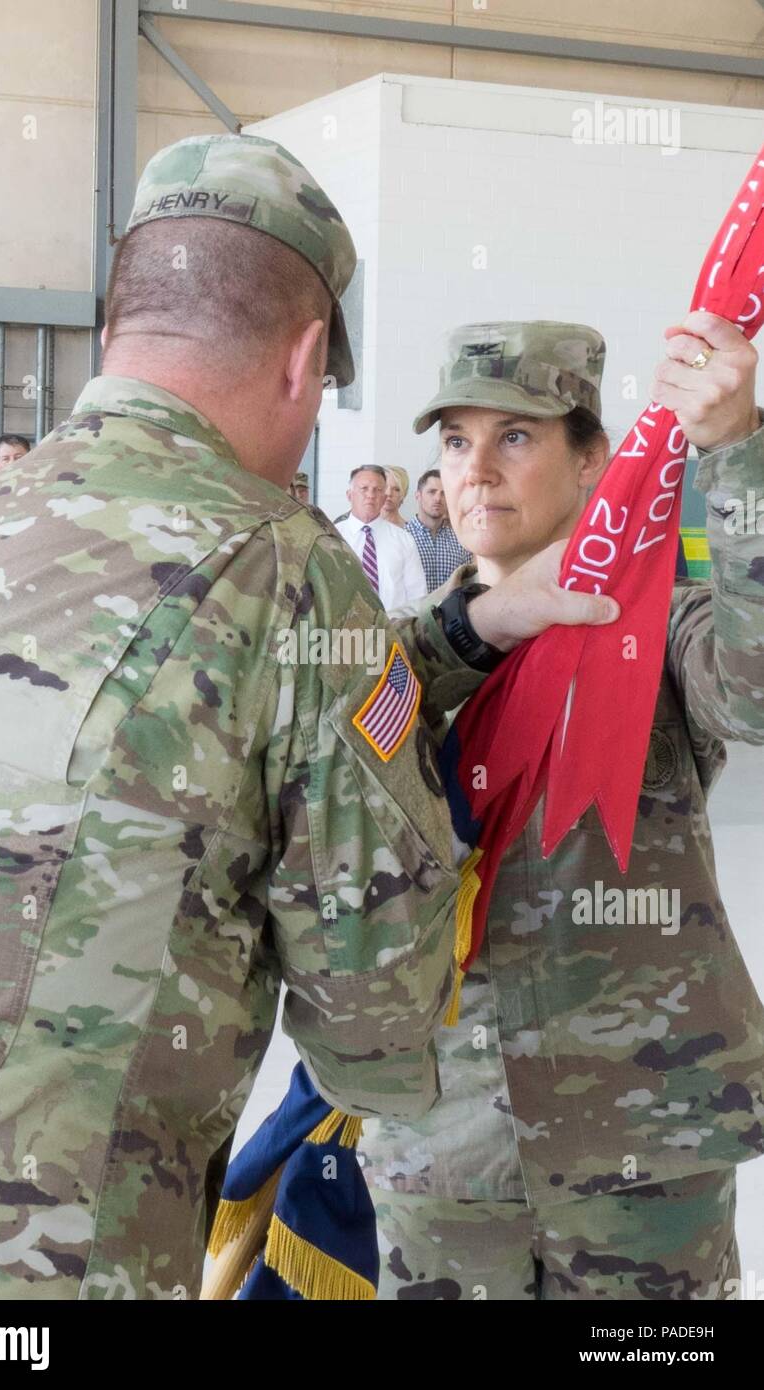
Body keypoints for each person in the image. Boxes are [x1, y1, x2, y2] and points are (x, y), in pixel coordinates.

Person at [0, 145, 615, 1302]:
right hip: (47, 1244)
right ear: (300, 358)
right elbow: (372, 1014)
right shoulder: (283, 564)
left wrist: (458, 632)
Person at [359, 317, 764, 1301]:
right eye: (455, 439)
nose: (475, 470)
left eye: (516, 436)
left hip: (639, 1146)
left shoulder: (657, 615)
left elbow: (752, 691)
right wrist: (480, 626)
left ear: (593, 462)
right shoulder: (402, 646)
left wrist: (735, 454)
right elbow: (315, 746)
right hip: (441, 1148)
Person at [336, 465, 427, 609]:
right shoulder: (332, 537)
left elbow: (417, 596)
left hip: (393, 627)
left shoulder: (404, 540)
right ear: (349, 495)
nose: (371, 495)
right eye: (364, 488)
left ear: (384, 498)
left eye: (377, 490)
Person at [406, 467, 473, 589]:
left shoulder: (460, 540)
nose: (438, 498)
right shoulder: (403, 537)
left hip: (451, 608)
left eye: (444, 493)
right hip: (414, 608)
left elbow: (467, 584)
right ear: (418, 496)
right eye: (432, 492)